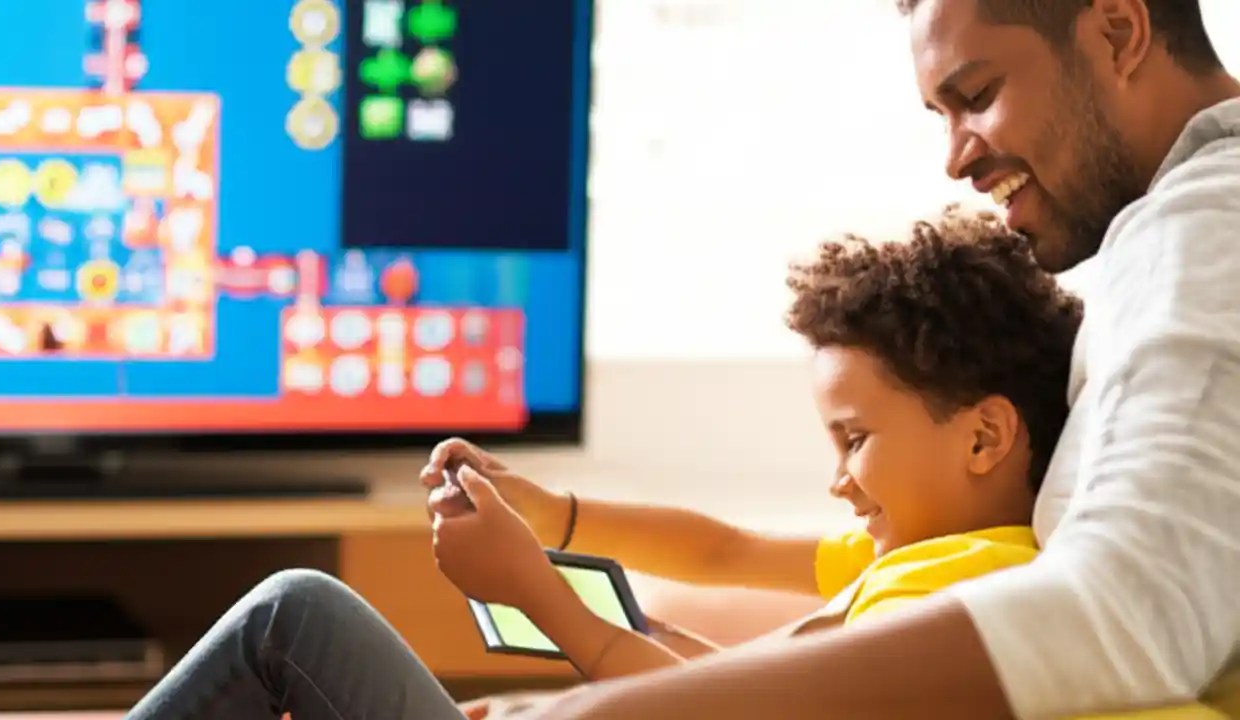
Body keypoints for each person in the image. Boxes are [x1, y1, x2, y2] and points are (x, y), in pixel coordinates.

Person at [525, 0, 1240, 717]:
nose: (957, 158)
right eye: (942, 116)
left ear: (1119, 32)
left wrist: (604, 713)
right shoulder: (1162, 240)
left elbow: (1129, 612)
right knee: (674, 604)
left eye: (979, 96)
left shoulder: (1205, 238)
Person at [126, 207, 1086, 719]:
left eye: (855, 440)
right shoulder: (912, 561)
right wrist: (553, 517)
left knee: (296, 614)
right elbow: (727, 558)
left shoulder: (970, 599)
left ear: (982, 436)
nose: (839, 479)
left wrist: (539, 593)